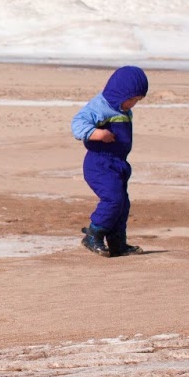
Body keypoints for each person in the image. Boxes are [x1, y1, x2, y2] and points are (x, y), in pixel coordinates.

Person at [70, 65, 149, 257]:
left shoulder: (121, 107)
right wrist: (97, 133)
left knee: (122, 204)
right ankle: (93, 234)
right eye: (131, 100)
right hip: (99, 163)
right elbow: (77, 124)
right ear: (119, 93)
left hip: (119, 163)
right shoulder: (100, 106)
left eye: (137, 101)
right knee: (113, 199)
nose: (132, 104)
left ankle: (117, 243)